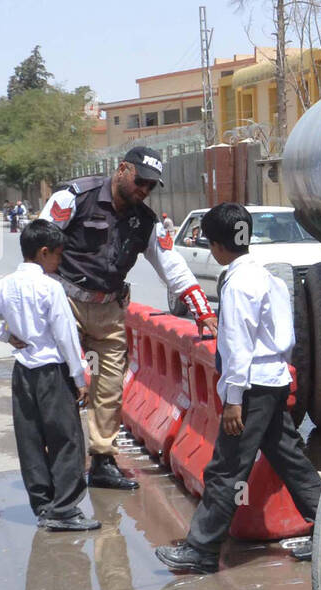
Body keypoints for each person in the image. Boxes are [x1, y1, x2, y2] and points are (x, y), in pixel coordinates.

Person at [155, 203, 321, 574]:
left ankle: (201, 549)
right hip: (273, 381)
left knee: (226, 470)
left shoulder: (236, 285)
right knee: (290, 460)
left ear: (215, 246)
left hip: (250, 388)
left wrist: (233, 401)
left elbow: (236, 347)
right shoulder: (268, 278)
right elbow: (286, 337)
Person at [40, 146, 217, 490]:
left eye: (151, 187)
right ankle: (61, 466)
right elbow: (39, 242)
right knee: (61, 383)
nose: (144, 191)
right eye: (140, 182)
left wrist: (202, 310)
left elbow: (173, 266)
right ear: (122, 170)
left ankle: (102, 460)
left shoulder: (146, 222)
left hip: (108, 309)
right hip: (64, 302)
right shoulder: (76, 196)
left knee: (108, 388)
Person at [0, 220, 99, 531]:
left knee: (31, 440)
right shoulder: (51, 287)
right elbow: (66, 337)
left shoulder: (4, 285)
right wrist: (80, 379)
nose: (59, 262)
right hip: (53, 372)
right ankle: (65, 509)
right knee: (67, 440)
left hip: (23, 372)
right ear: (43, 252)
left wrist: (5, 334)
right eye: (58, 256)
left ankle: (44, 506)